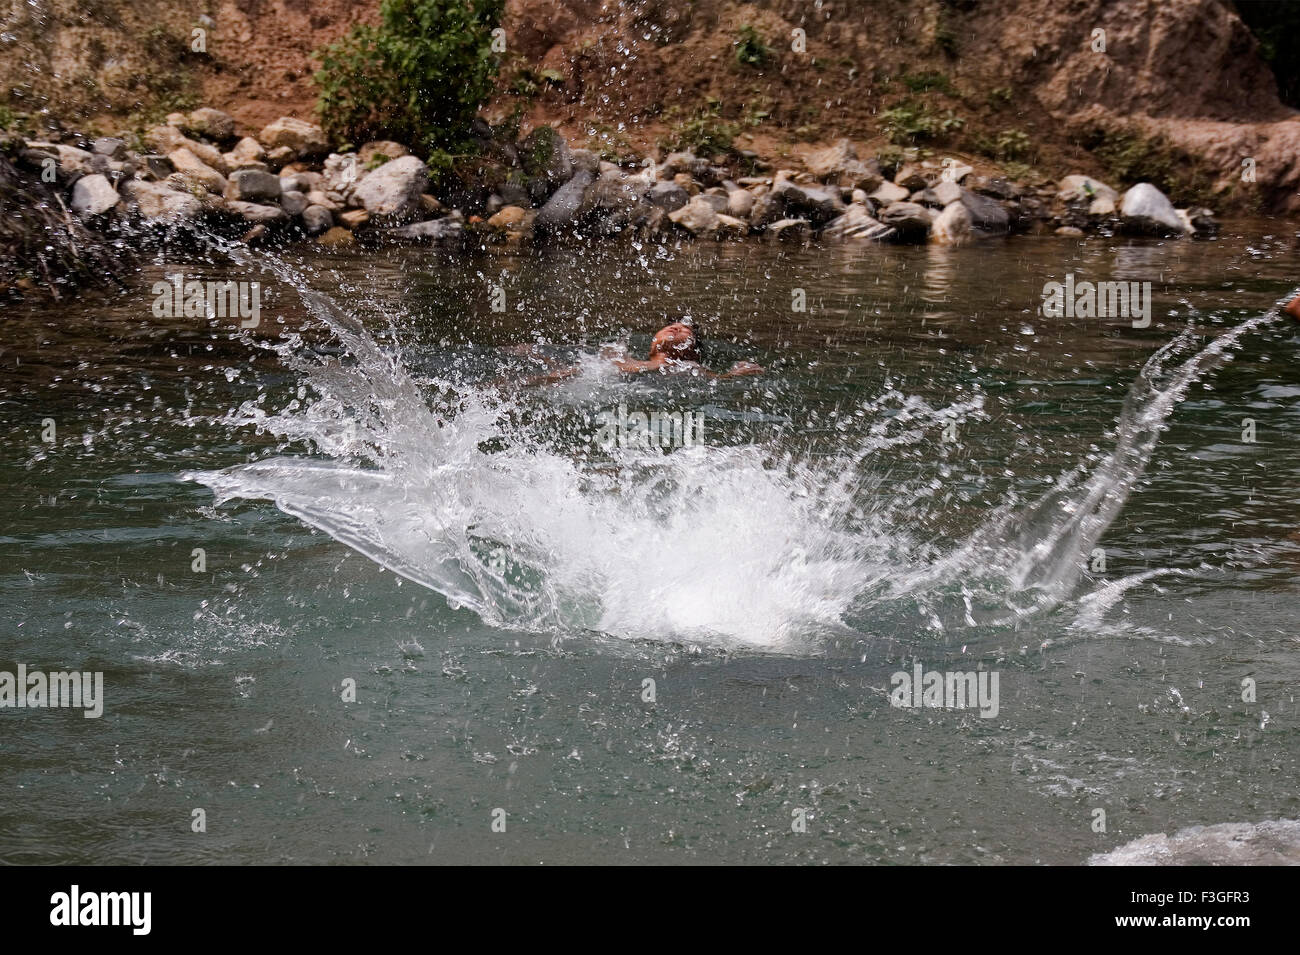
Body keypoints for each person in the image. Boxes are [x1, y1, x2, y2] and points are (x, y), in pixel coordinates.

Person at [508, 319, 763, 385]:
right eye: (670, 327)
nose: (676, 327)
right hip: (599, 381)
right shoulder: (620, 356)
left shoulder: (688, 367)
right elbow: (584, 369)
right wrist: (537, 355)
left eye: (686, 331)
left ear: (693, 353)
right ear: (652, 344)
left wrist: (734, 373)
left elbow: (716, 380)